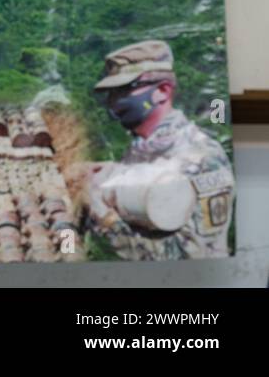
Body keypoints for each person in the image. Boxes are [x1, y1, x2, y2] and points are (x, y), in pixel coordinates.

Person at [84, 40, 234, 259]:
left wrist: (103, 216)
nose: (114, 101)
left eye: (124, 90)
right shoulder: (140, 150)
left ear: (162, 91)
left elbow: (186, 258)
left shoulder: (203, 159)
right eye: (111, 93)